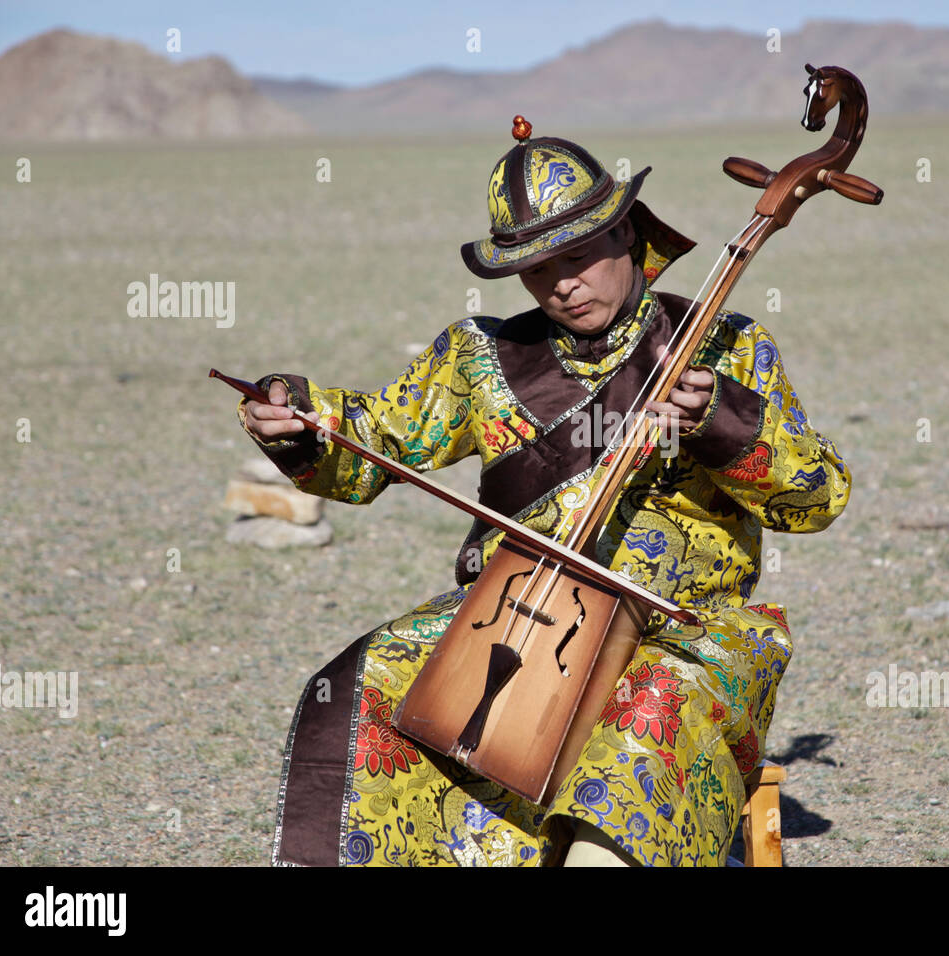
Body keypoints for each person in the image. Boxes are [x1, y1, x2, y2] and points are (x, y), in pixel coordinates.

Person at [240, 125, 851, 866]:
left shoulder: (725, 346)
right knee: (361, 685)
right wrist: (297, 420)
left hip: (685, 631)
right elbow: (376, 444)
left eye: (578, 256)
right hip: (521, 618)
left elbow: (813, 499)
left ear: (627, 232)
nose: (562, 283)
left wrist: (718, 420)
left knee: (655, 710)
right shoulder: (481, 358)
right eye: (536, 270)